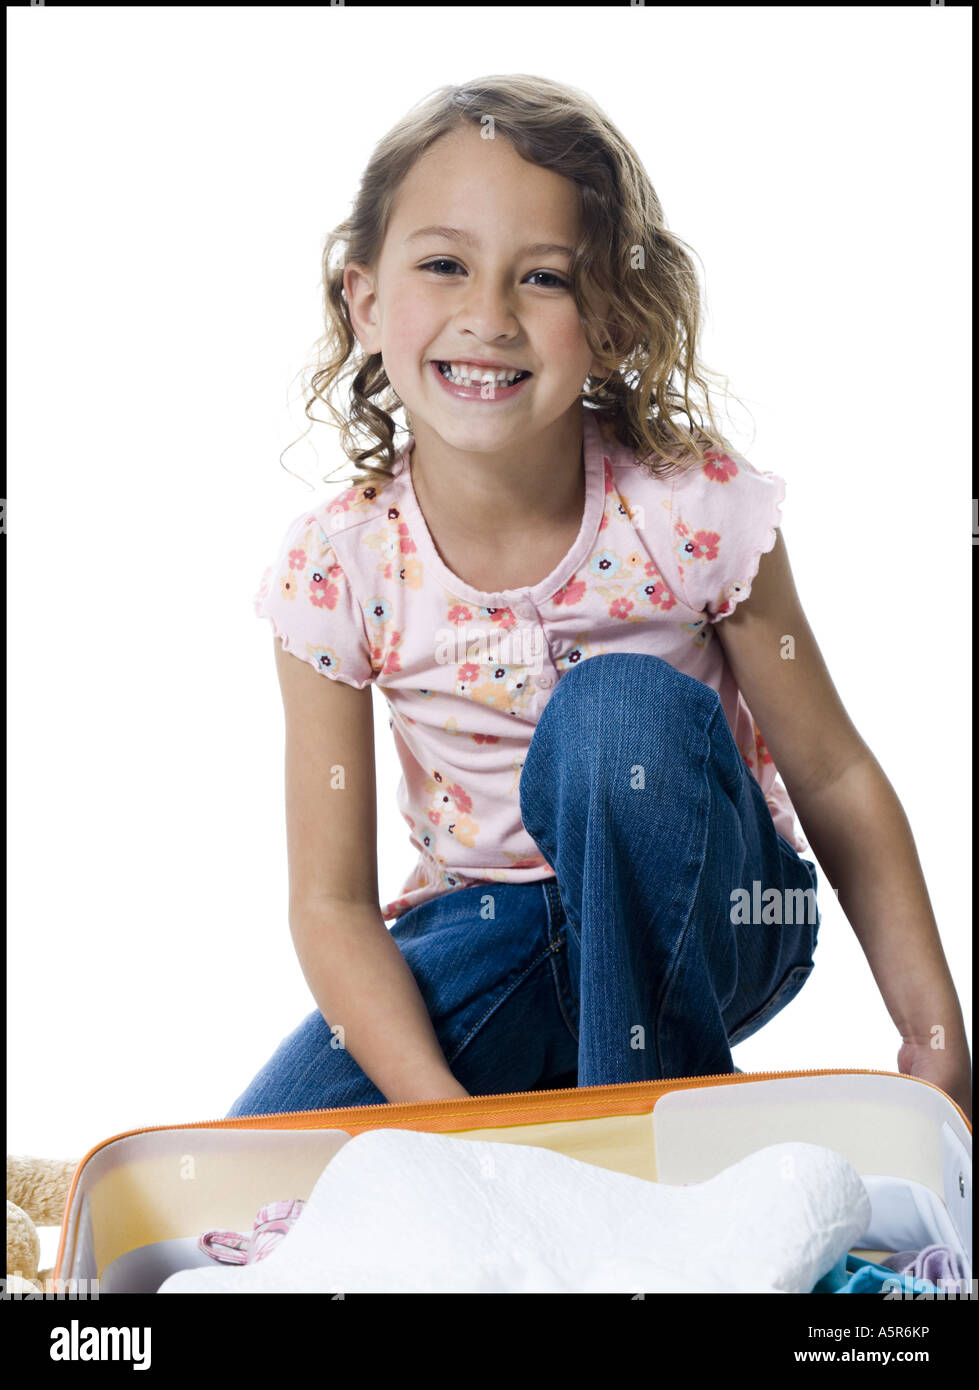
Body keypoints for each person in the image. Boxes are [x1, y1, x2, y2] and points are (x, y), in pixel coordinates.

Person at [226, 75, 971, 1123]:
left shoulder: (691, 508)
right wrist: (447, 1123)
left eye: (543, 278)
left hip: (716, 913)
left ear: (614, 319)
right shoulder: (337, 565)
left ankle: (648, 1137)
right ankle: (573, 1121)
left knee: (611, 712)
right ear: (363, 299)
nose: (486, 317)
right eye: (443, 265)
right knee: (266, 1159)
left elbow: (833, 773)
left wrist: (933, 1035)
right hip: (495, 935)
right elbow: (331, 902)